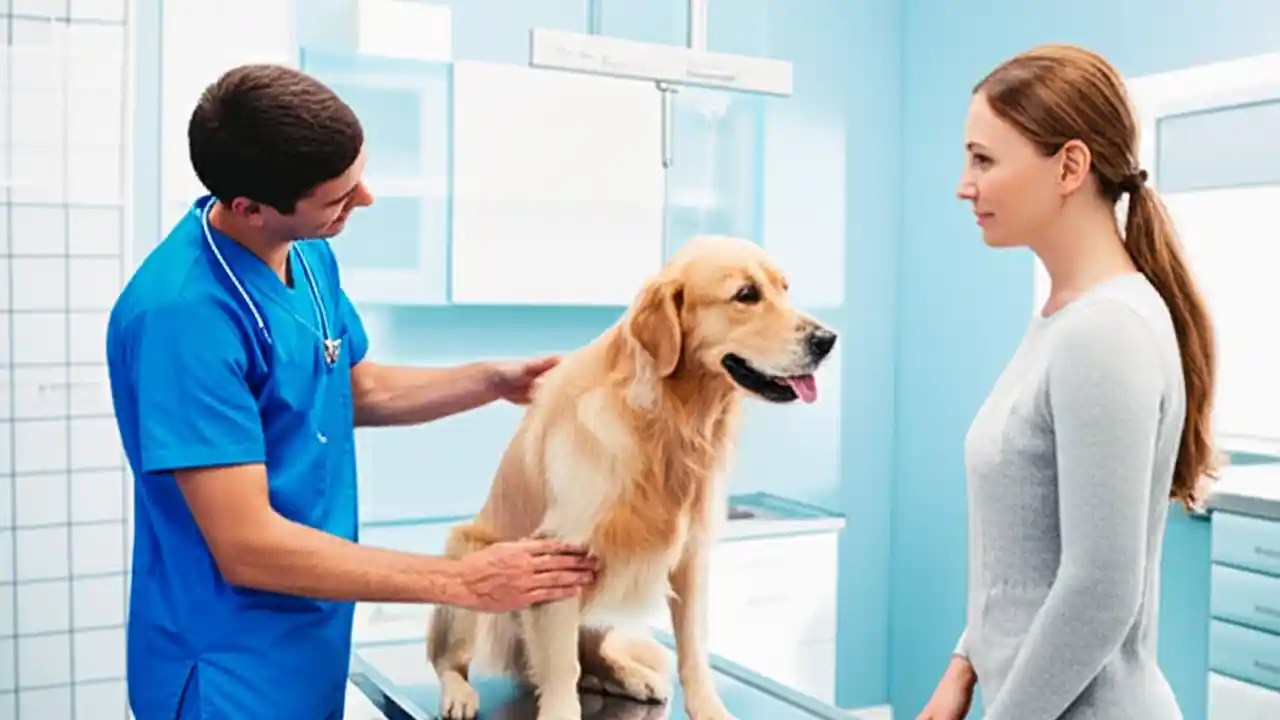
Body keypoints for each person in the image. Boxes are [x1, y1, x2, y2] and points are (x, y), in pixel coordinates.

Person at [106, 63, 600, 720]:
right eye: (338, 196)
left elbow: (349, 387)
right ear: (250, 207)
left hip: (309, 642)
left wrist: (490, 381)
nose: (363, 200)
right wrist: (462, 582)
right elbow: (246, 544)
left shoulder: (307, 253)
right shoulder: (182, 319)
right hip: (227, 665)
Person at [918, 44, 1218, 720]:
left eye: (983, 159)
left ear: (1070, 166)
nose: (964, 184)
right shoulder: (1065, 320)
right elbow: (1027, 551)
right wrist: (965, 664)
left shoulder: (1103, 333)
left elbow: (1100, 590)